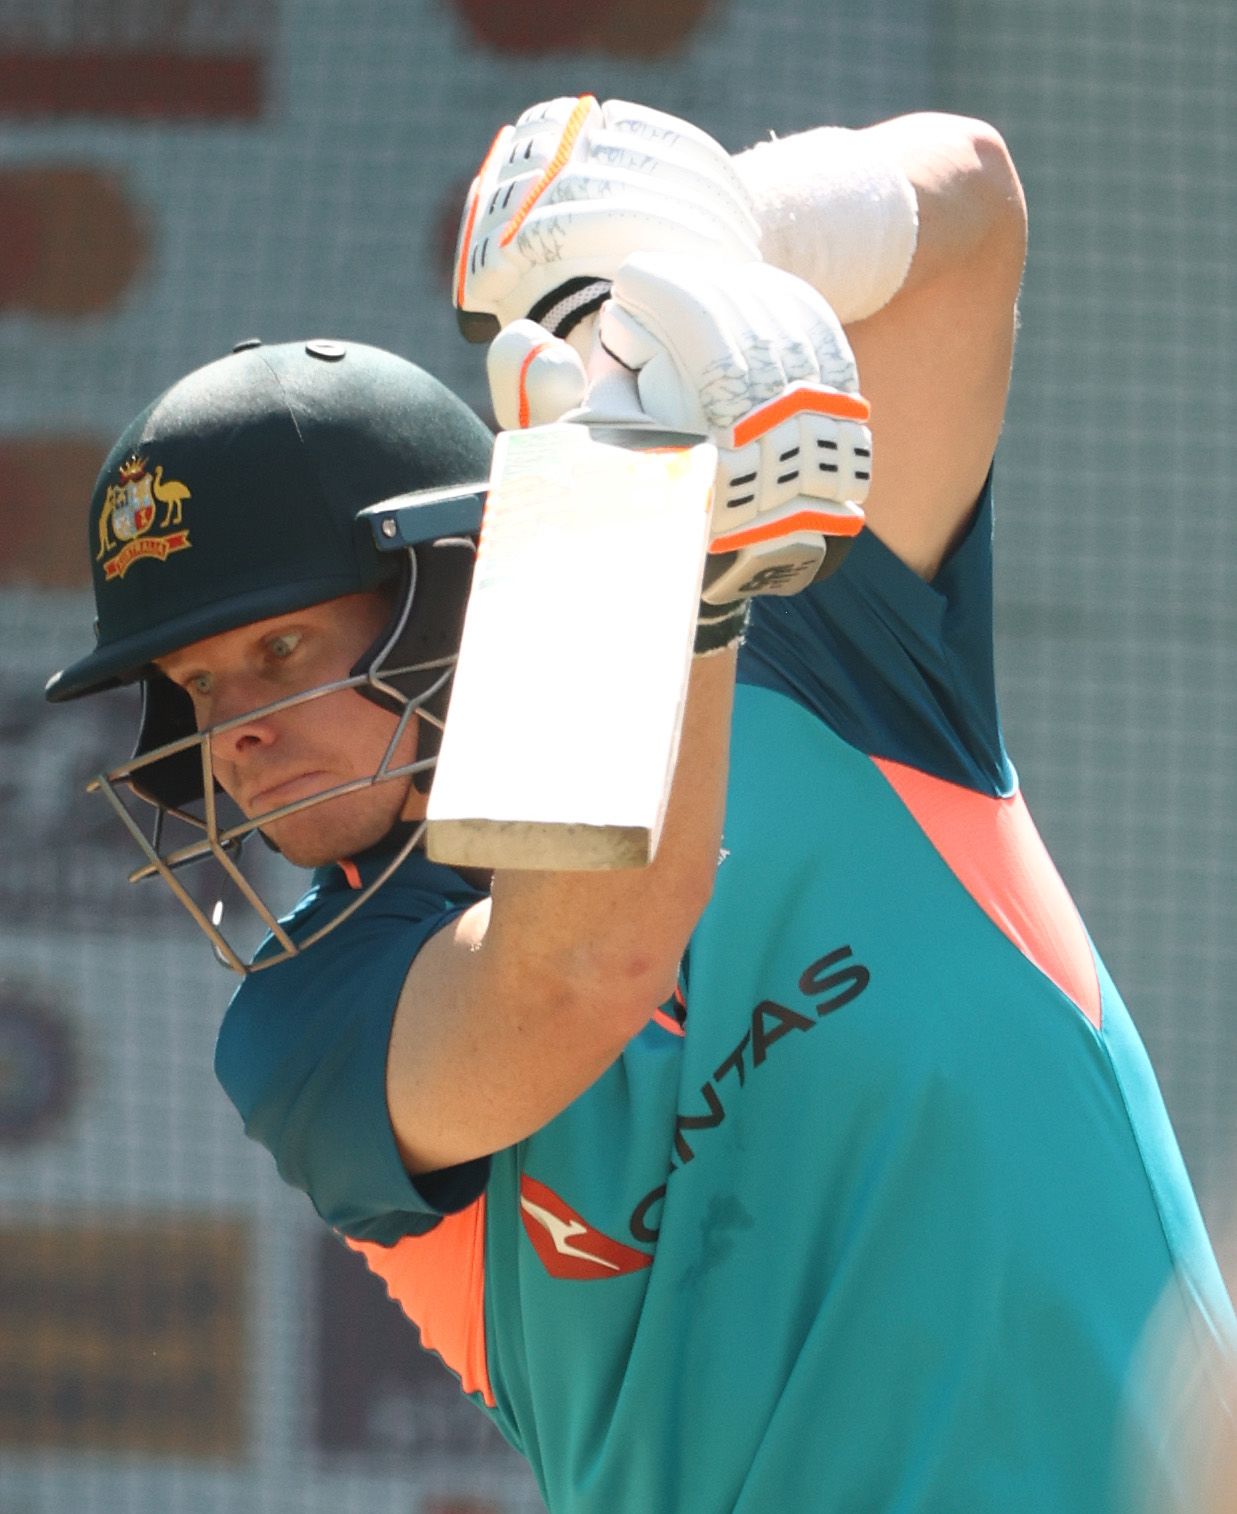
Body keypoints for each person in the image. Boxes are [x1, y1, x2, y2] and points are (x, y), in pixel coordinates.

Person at [47, 98, 1234, 1513]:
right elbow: (580, 965)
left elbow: (969, 210)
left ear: (455, 586)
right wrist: (652, 536)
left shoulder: (816, 652)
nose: (234, 730)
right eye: (196, 682)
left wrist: (697, 261)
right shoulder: (308, 1016)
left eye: (281, 650)